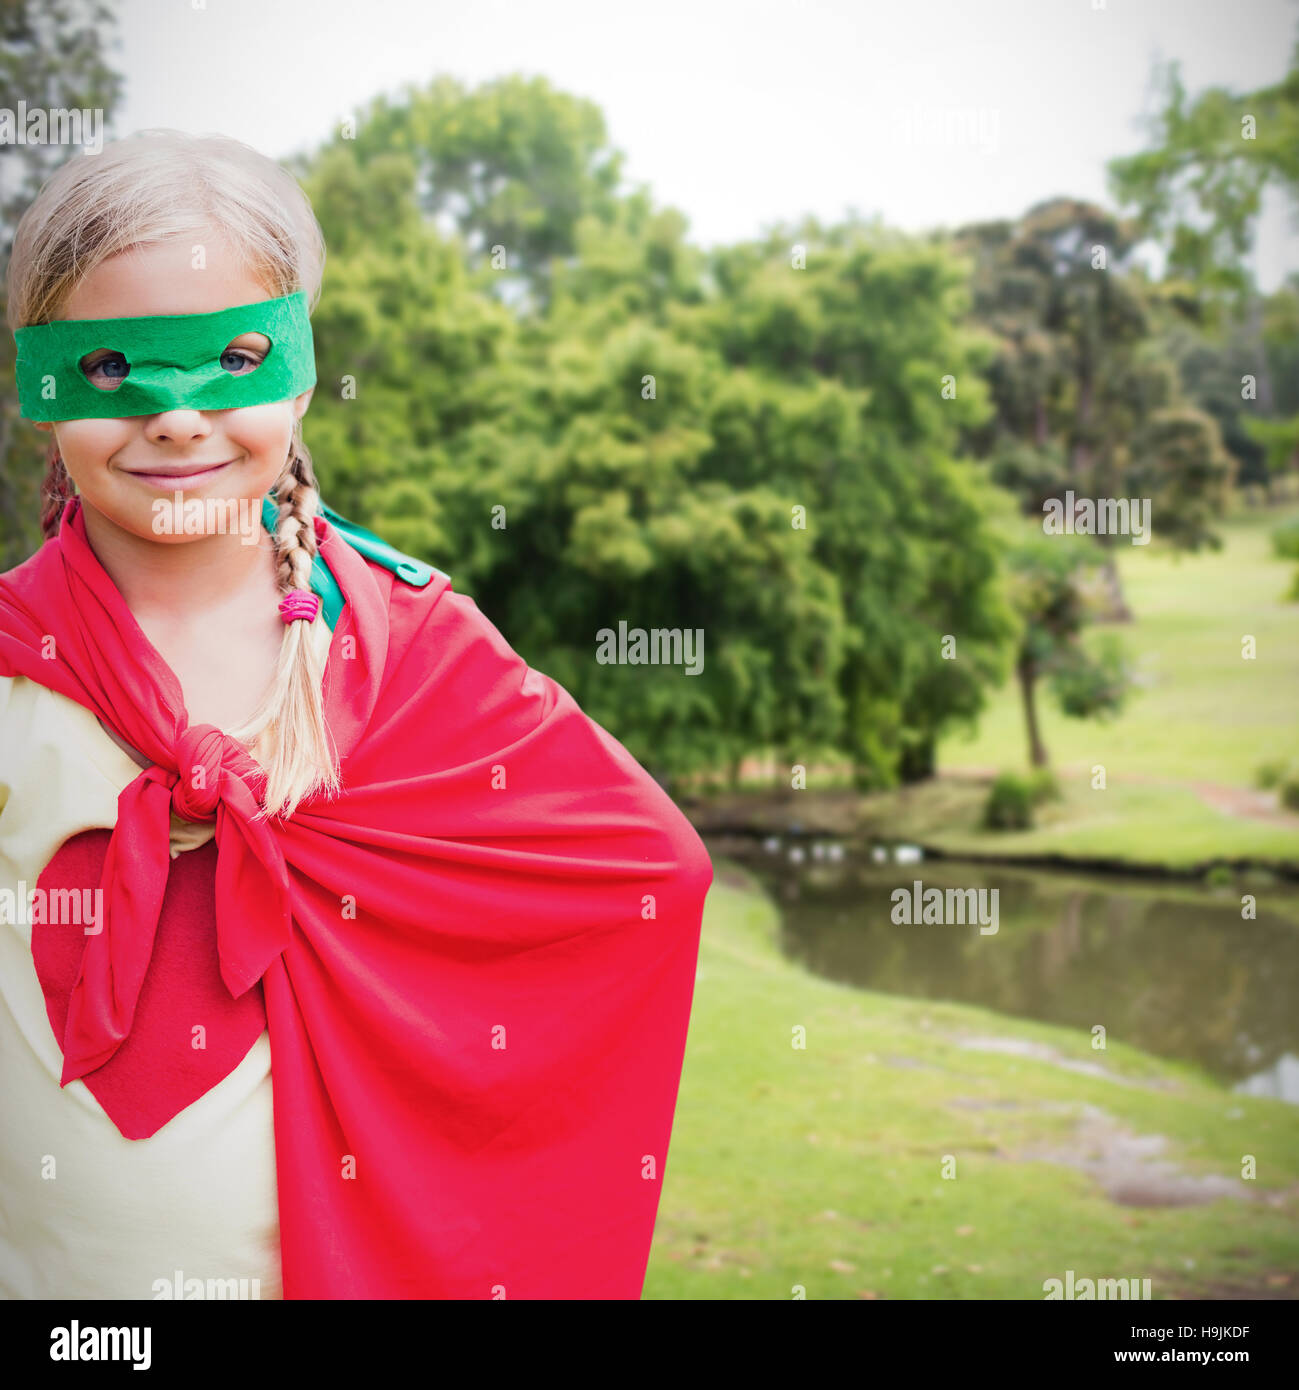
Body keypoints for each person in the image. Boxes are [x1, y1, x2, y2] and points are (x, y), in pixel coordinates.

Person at [0, 129, 713, 1300]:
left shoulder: (405, 646)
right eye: (115, 370)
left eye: (231, 357)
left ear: (298, 367)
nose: (179, 417)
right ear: (40, 382)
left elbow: (645, 871)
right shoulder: (12, 662)